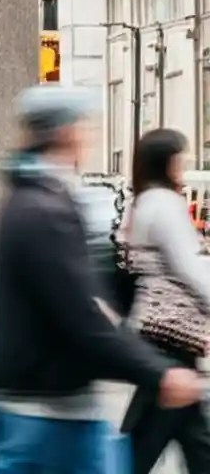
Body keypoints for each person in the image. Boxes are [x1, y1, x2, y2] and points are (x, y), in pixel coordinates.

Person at [0, 87, 202, 473]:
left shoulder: (27, 200)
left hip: (42, 412)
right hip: (54, 419)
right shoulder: (46, 210)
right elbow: (83, 319)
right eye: (86, 126)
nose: (91, 135)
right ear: (67, 132)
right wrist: (159, 372)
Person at [120, 128, 210, 473]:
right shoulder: (166, 205)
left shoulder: (143, 202)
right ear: (166, 162)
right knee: (143, 443)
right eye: (180, 158)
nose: (184, 166)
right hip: (172, 334)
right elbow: (190, 268)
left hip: (159, 333)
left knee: (194, 438)